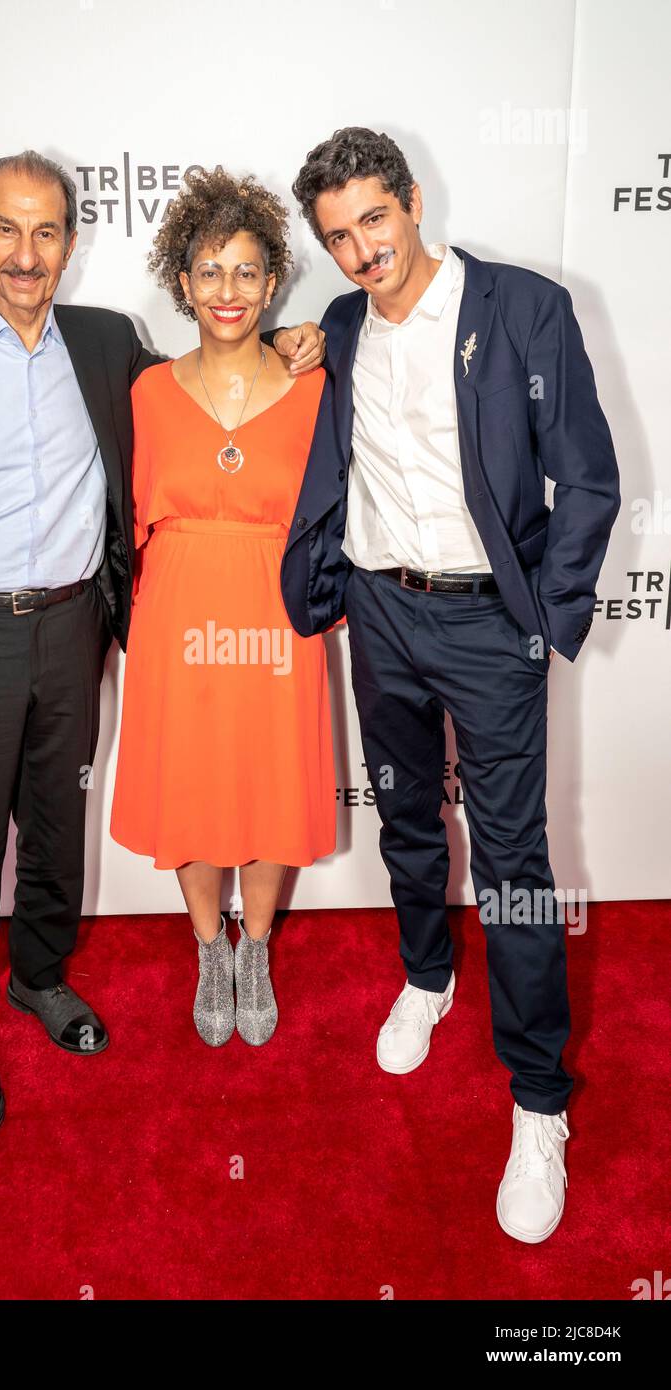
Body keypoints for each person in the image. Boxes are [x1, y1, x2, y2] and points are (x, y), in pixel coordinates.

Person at [0, 149, 324, 1137]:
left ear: (72, 239)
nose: (27, 253)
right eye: (7, 229)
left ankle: (43, 979)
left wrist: (296, 336)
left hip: (76, 625)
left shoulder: (108, 346)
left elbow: (216, 385)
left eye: (47, 230)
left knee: (55, 830)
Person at [282, 127, 620, 1241]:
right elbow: (323, 368)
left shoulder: (522, 308)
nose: (360, 251)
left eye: (373, 220)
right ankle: (425, 974)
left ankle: (536, 1101)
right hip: (379, 612)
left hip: (485, 621)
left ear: (412, 201)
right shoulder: (337, 325)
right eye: (336, 236)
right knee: (407, 821)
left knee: (514, 860)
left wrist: (548, 616)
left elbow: (585, 473)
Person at [110, 167, 337, 1047]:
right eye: (209, 271)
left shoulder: (316, 384)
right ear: (182, 283)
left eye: (247, 271)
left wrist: (307, 339)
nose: (228, 291)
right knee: (195, 786)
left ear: (273, 280)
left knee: (273, 784)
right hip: (179, 616)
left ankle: (259, 943)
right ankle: (211, 944)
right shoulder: (148, 393)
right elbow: (126, 516)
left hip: (277, 612)